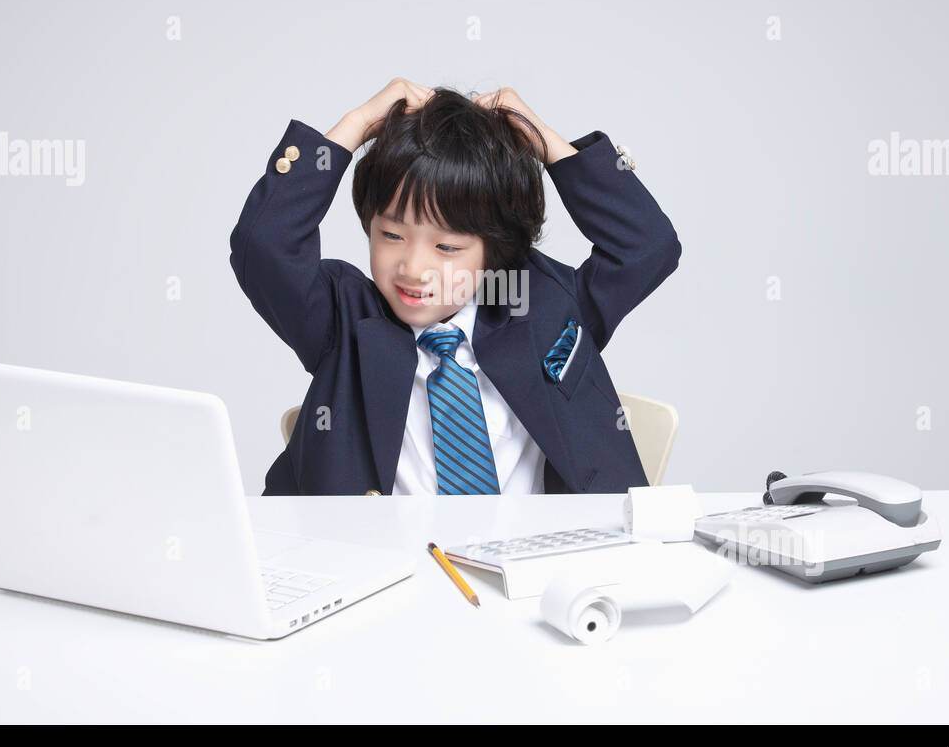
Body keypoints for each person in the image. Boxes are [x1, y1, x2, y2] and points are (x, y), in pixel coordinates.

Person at [229, 78, 681, 495]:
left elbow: (647, 246)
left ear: (495, 251)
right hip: (387, 565)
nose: (413, 268)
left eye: (446, 247)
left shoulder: (542, 304)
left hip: (540, 562)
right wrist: (356, 125)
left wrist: (543, 141)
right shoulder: (342, 320)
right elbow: (264, 245)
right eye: (391, 235)